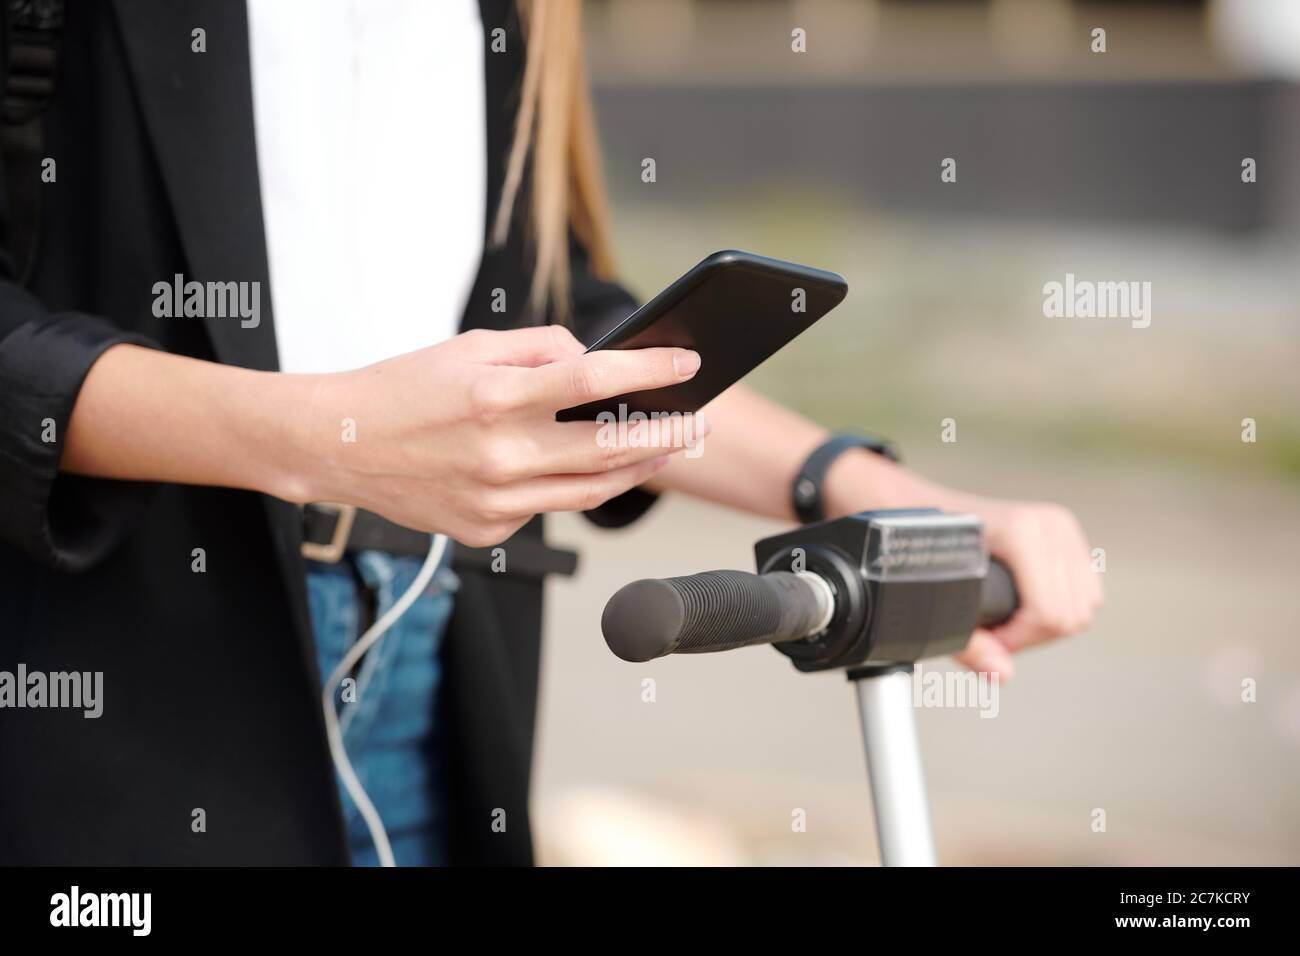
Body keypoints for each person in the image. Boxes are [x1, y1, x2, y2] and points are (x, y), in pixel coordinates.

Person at [0, 0, 1100, 866]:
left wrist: (847, 482)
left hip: (437, 668)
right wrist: (322, 434)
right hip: (125, 685)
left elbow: (549, 327)